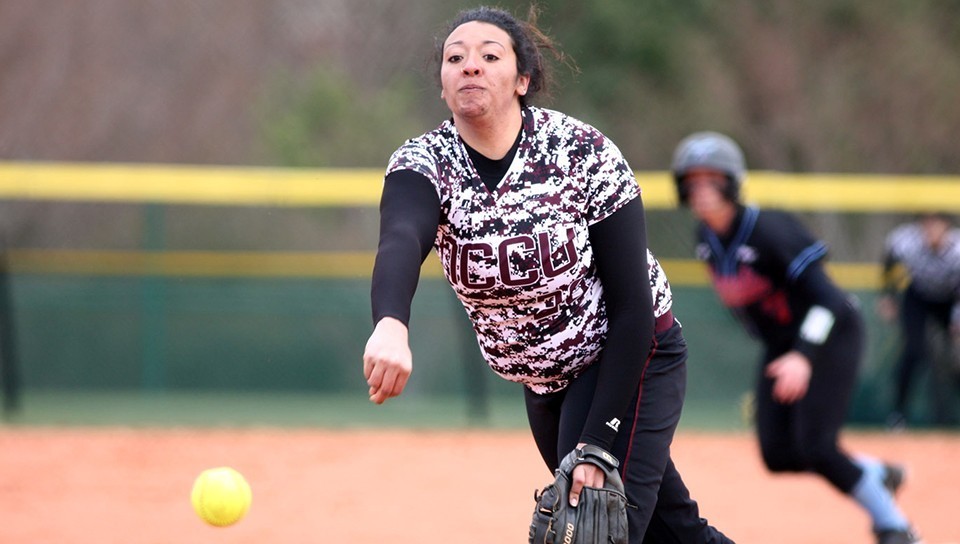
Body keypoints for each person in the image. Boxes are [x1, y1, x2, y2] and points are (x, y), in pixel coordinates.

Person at [362, 6, 732, 542]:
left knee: (598, 529)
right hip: (543, 383)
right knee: (673, 534)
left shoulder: (580, 152)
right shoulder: (424, 163)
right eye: (455, 58)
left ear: (522, 79)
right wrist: (391, 322)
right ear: (442, 85)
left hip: (627, 354)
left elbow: (632, 307)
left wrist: (601, 441)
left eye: (490, 56)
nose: (470, 66)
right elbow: (401, 238)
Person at [671, 131, 922, 544]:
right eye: (692, 180)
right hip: (783, 347)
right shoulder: (707, 240)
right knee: (777, 454)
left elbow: (829, 300)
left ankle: (895, 526)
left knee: (817, 446)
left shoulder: (769, 228)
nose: (701, 189)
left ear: (732, 182)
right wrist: (788, 350)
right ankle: (876, 474)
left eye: (712, 179)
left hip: (831, 333)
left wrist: (804, 355)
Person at [877, 212, 960, 429]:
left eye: (937, 225)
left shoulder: (957, 250)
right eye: (927, 225)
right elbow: (888, 264)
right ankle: (898, 416)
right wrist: (887, 295)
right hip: (919, 296)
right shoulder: (907, 241)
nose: (931, 231)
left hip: (951, 298)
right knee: (913, 352)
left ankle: (950, 419)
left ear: (947, 228)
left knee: (956, 357)